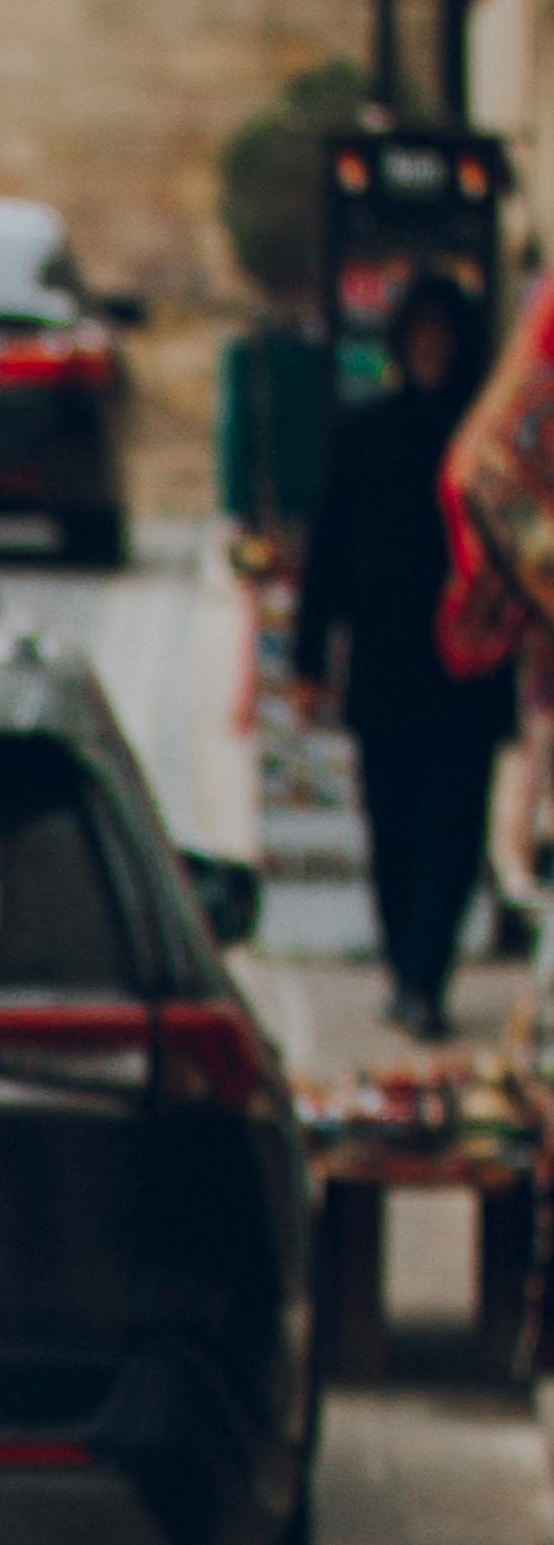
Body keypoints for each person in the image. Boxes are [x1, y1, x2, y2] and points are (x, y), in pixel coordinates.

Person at [294, 275, 511, 1039]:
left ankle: (425, 977)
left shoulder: (487, 443)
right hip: (386, 664)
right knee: (390, 831)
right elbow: (324, 548)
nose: (431, 347)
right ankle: (401, 967)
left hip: (466, 669)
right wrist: (308, 657)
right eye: (418, 332)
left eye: (442, 332)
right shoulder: (362, 432)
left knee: (452, 833)